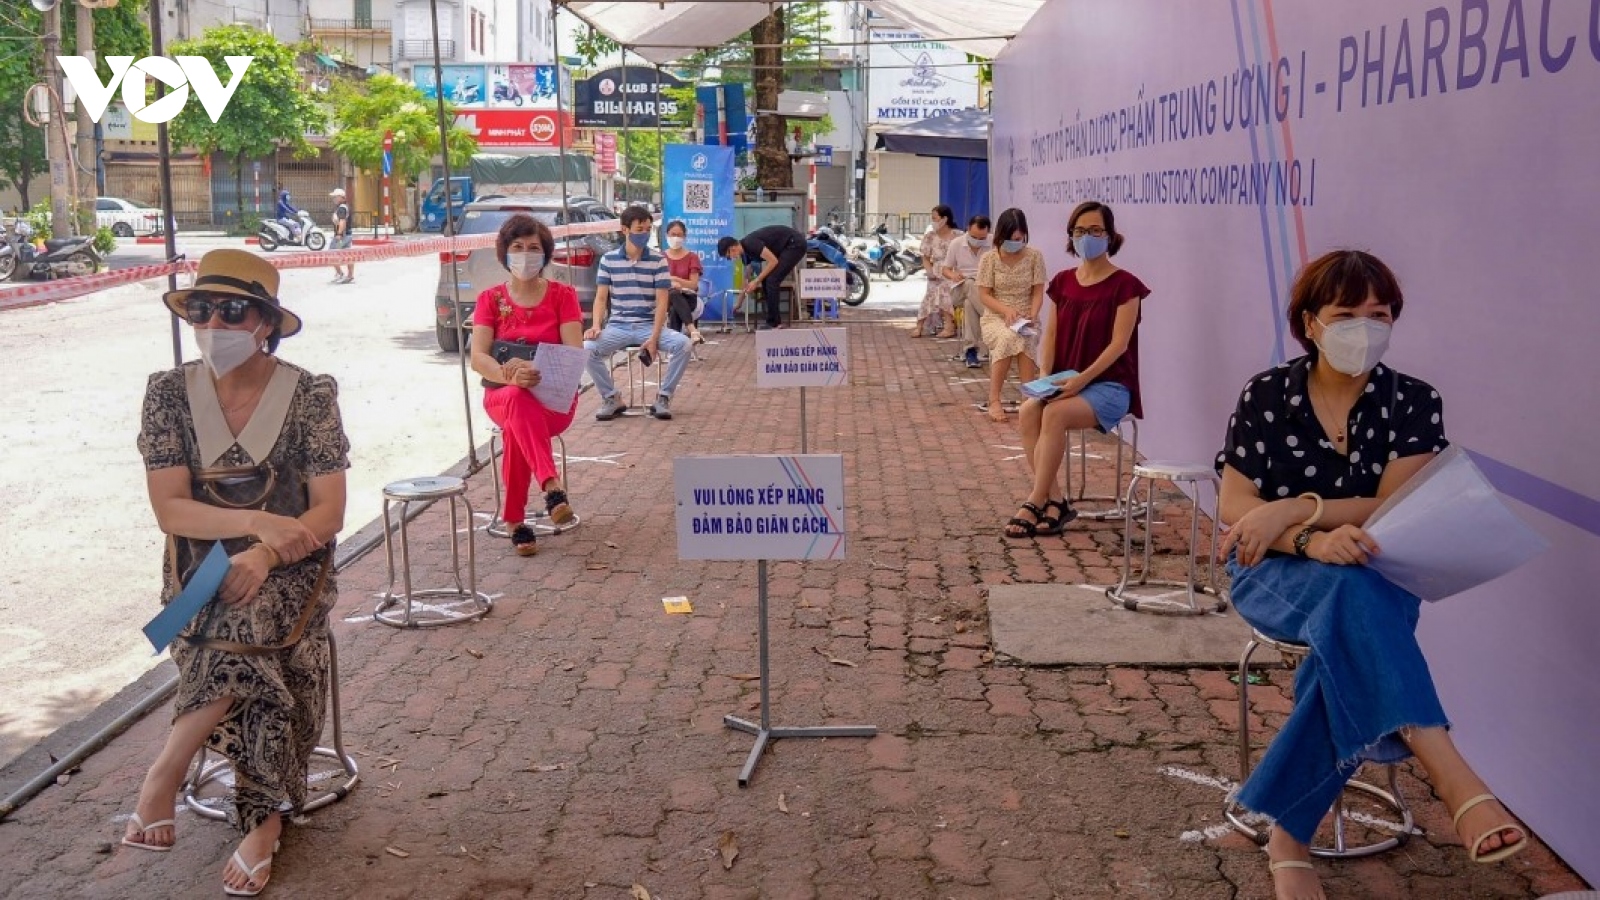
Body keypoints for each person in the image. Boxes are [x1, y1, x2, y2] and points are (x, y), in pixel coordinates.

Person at [1216, 250, 1528, 900]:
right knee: (1355, 618)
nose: (1365, 326)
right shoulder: (1267, 394)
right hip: (1271, 572)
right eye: (1346, 313)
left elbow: (1391, 504)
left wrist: (1291, 510)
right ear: (1310, 321)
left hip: (1377, 577)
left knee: (1352, 621)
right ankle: (1448, 770)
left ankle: (1286, 837)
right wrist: (1305, 539)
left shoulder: (1411, 401)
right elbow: (1235, 510)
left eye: (1378, 314)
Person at [127, 249, 349, 897]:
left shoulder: (309, 395)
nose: (213, 323)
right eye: (202, 308)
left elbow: (329, 511)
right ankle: (263, 825)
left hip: (294, 570)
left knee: (249, 617)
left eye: (232, 310)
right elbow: (169, 508)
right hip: (192, 580)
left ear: (266, 323)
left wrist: (270, 551)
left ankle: (164, 774)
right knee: (244, 637)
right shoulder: (168, 394)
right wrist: (256, 525)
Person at [1008, 202, 1148, 538]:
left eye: (1096, 230)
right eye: (1080, 231)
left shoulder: (1127, 286)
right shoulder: (1063, 282)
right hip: (1065, 381)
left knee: (1054, 416)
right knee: (1029, 411)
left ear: (1110, 235)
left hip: (1110, 385)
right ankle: (1057, 502)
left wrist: (1081, 380)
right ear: (1071, 236)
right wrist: (1045, 376)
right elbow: (1052, 335)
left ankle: (1036, 499)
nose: (1087, 237)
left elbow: (1119, 345)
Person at [470, 214, 585, 556]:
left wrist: (534, 370)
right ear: (505, 253)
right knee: (517, 399)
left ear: (546, 254)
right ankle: (551, 486)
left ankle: (515, 520)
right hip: (501, 395)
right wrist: (509, 373)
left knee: (518, 423)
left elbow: (573, 354)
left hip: (554, 400)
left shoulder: (563, 296)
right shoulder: (490, 299)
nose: (525, 254)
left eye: (533, 248)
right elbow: (478, 357)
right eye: (517, 247)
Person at [586, 205, 693, 421]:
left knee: (684, 344)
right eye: (639, 229)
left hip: (648, 326)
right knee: (587, 349)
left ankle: (663, 397)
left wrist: (654, 338)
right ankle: (611, 398)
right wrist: (596, 325)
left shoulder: (658, 260)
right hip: (618, 326)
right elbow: (600, 298)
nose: (644, 234)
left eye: (648, 229)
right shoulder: (608, 260)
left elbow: (663, 302)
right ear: (625, 230)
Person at [976, 208, 1047, 422]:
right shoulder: (990, 259)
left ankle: (1028, 398)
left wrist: (1033, 315)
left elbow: (1037, 292)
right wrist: (1006, 310)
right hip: (996, 316)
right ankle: (994, 399)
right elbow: (984, 295)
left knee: (1025, 335)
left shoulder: (1035, 256)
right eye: (1010, 238)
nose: (1015, 242)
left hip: (1025, 316)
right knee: (1008, 337)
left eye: (1019, 238)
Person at [717, 224, 807, 330]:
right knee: (767, 281)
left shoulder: (750, 244)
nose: (731, 259)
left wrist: (756, 281)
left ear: (732, 249)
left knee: (772, 280)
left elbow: (773, 261)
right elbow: (746, 278)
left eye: (728, 257)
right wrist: (739, 303)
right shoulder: (745, 255)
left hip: (795, 244)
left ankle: (773, 323)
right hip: (785, 247)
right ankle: (773, 321)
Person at [942, 214, 991, 368]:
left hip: (984, 290)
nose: (978, 241)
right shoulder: (956, 244)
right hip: (960, 288)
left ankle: (970, 351)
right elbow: (945, 270)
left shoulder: (993, 242)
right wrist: (954, 275)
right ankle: (992, 317)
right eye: (975, 236)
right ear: (968, 229)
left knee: (970, 304)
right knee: (970, 283)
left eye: (982, 238)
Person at [914, 205, 960, 338]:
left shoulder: (958, 235)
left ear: (945, 219)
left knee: (944, 291)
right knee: (930, 294)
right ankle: (919, 326)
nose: (933, 221)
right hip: (936, 271)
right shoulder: (930, 236)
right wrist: (930, 272)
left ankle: (949, 326)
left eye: (935, 218)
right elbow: (925, 258)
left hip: (953, 271)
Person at [661, 219, 705, 345]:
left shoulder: (692, 257)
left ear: (684, 237)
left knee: (675, 304)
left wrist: (675, 279)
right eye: (672, 234)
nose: (676, 238)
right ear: (666, 236)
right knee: (673, 294)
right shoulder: (660, 258)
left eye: (679, 235)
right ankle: (692, 330)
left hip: (689, 298)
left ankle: (674, 347)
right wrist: (671, 284)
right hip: (665, 300)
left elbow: (693, 284)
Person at [329, 188, 354, 285]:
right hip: (347, 235)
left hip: (342, 236)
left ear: (341, 197)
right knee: (349, 255)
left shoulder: (341, 208)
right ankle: (350, 275)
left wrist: (339, 234)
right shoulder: (345, 207)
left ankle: (340, 274)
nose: (334, 198)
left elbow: (342, 221)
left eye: (335, 197)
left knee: (330, 254)